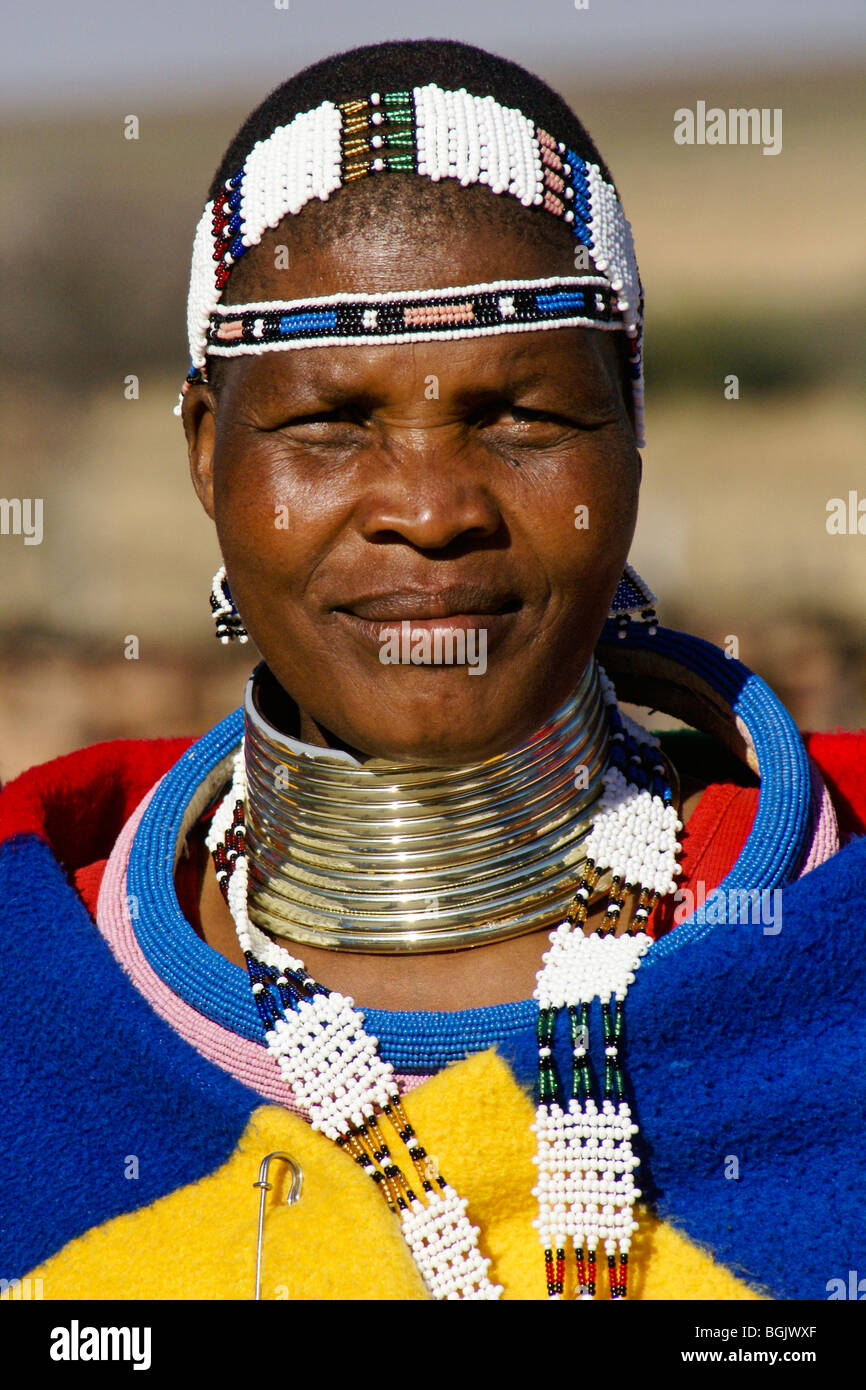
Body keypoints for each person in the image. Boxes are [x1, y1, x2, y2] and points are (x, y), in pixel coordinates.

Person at [1, 38, 864, 1303]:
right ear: (206, 451)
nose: (429, 506)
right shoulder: (41, 982)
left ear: (629, 430)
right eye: (330, 421)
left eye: (519, 415)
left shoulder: (823, 934)